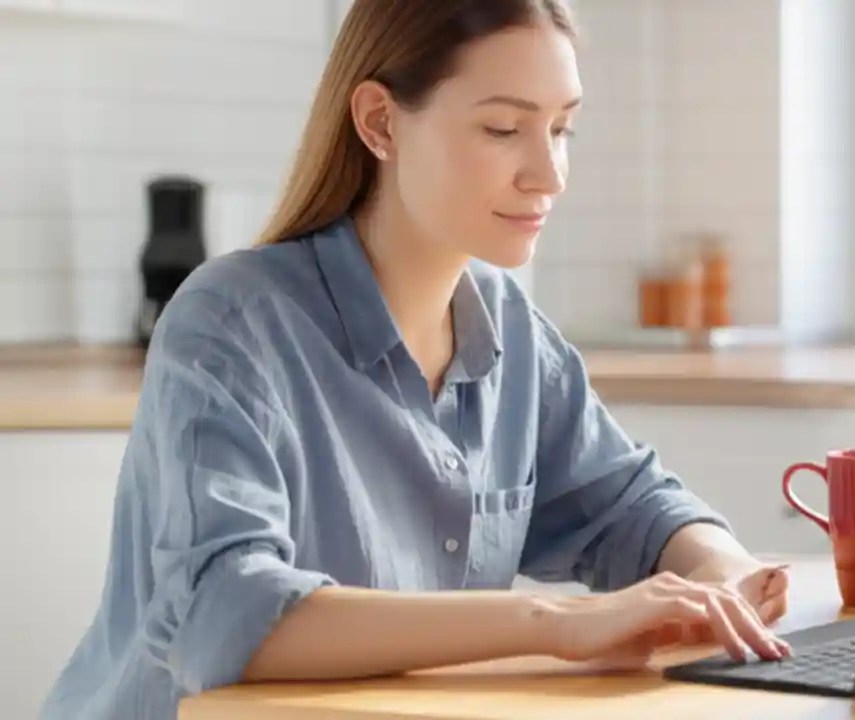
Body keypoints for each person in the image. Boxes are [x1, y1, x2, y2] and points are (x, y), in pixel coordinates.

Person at [40, 1, 792, 718]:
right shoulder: (233, 324)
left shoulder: (511, 333)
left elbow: (632, 506)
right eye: (503, 129)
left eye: (562, 129)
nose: (549, 173)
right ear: (380, 123)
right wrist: (554, 622)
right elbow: (222, 612)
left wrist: (720, 573)